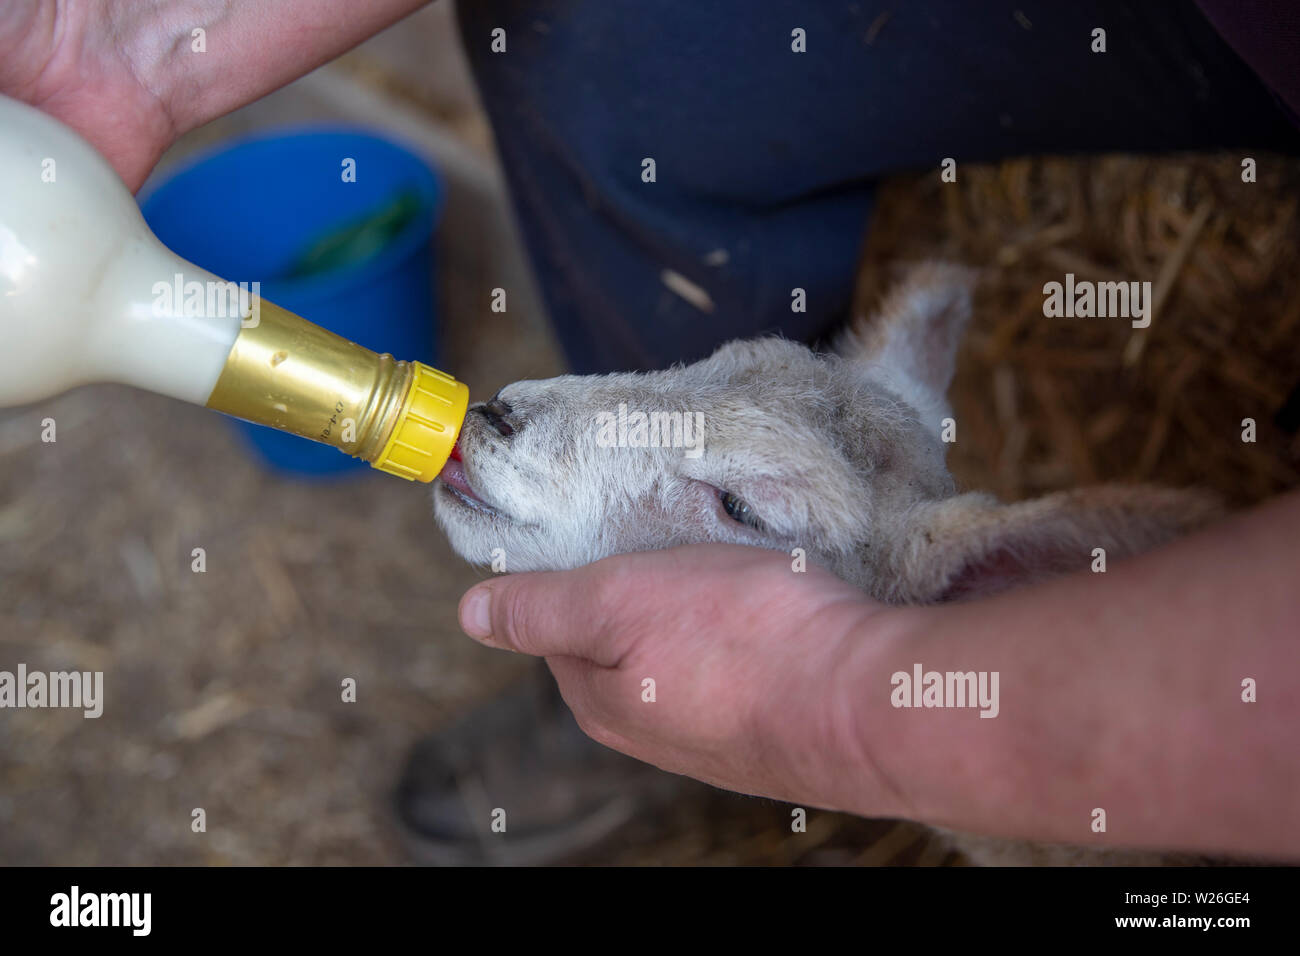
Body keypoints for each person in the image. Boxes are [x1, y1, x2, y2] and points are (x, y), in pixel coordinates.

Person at [5, 0, 1298, 862]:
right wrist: (132, 46)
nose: (530, 422)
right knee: (591, 35)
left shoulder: (967, 606)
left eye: (742, 502)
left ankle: (705, 684)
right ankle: (632, 671)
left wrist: (839, 710)